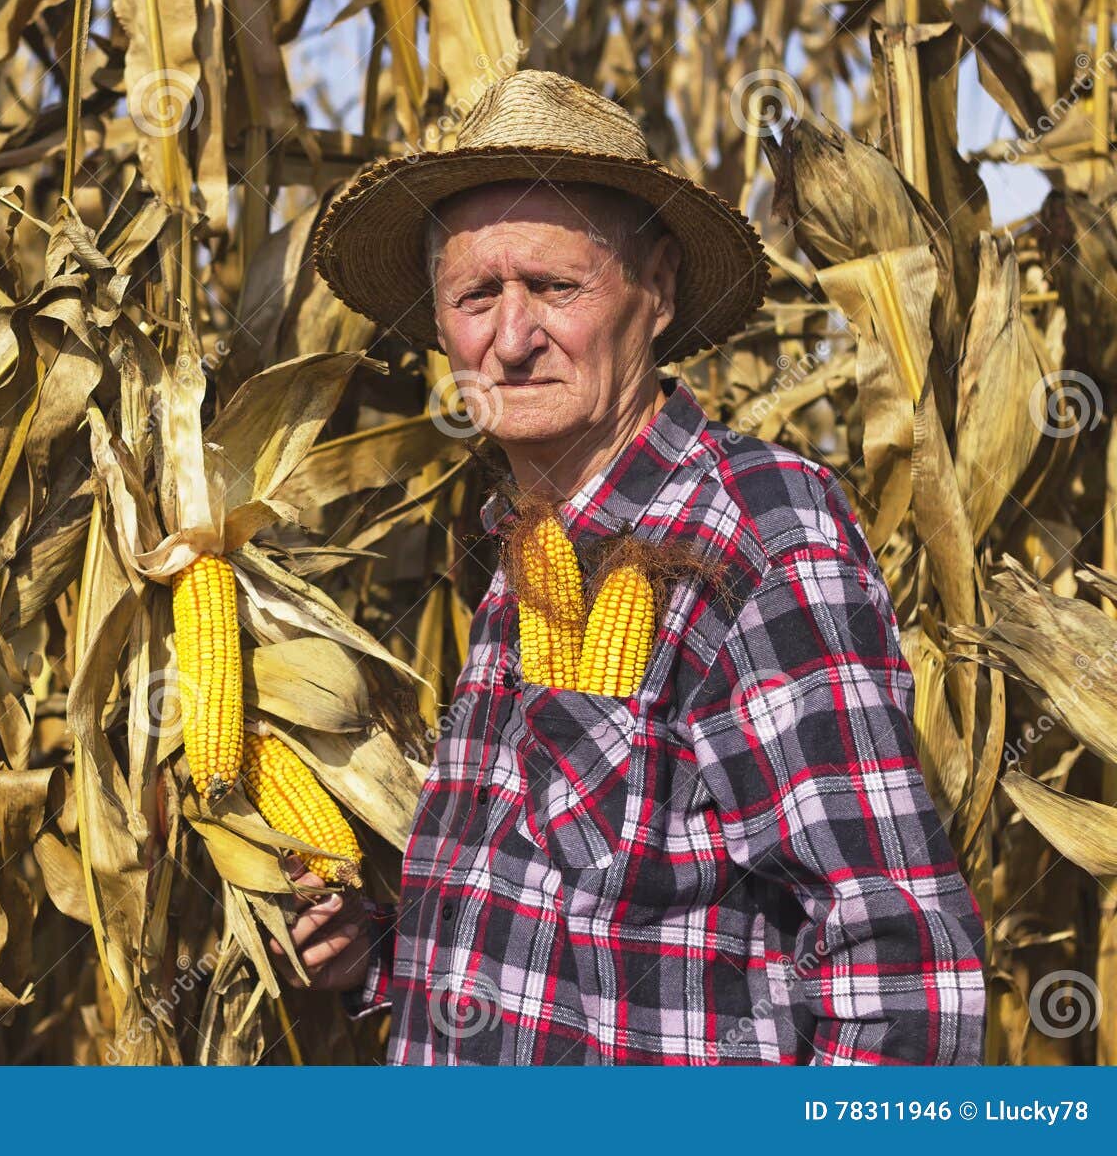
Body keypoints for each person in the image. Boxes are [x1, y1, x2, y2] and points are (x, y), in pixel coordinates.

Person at [265, 69, 986, 1065]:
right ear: (437, 323)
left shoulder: (757, 529)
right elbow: (577, 926)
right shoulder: (531, 542)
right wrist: (385, 958)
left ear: (657, 290)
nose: (510, 339)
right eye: (476, 296)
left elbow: (899, 967)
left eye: (555, 287)